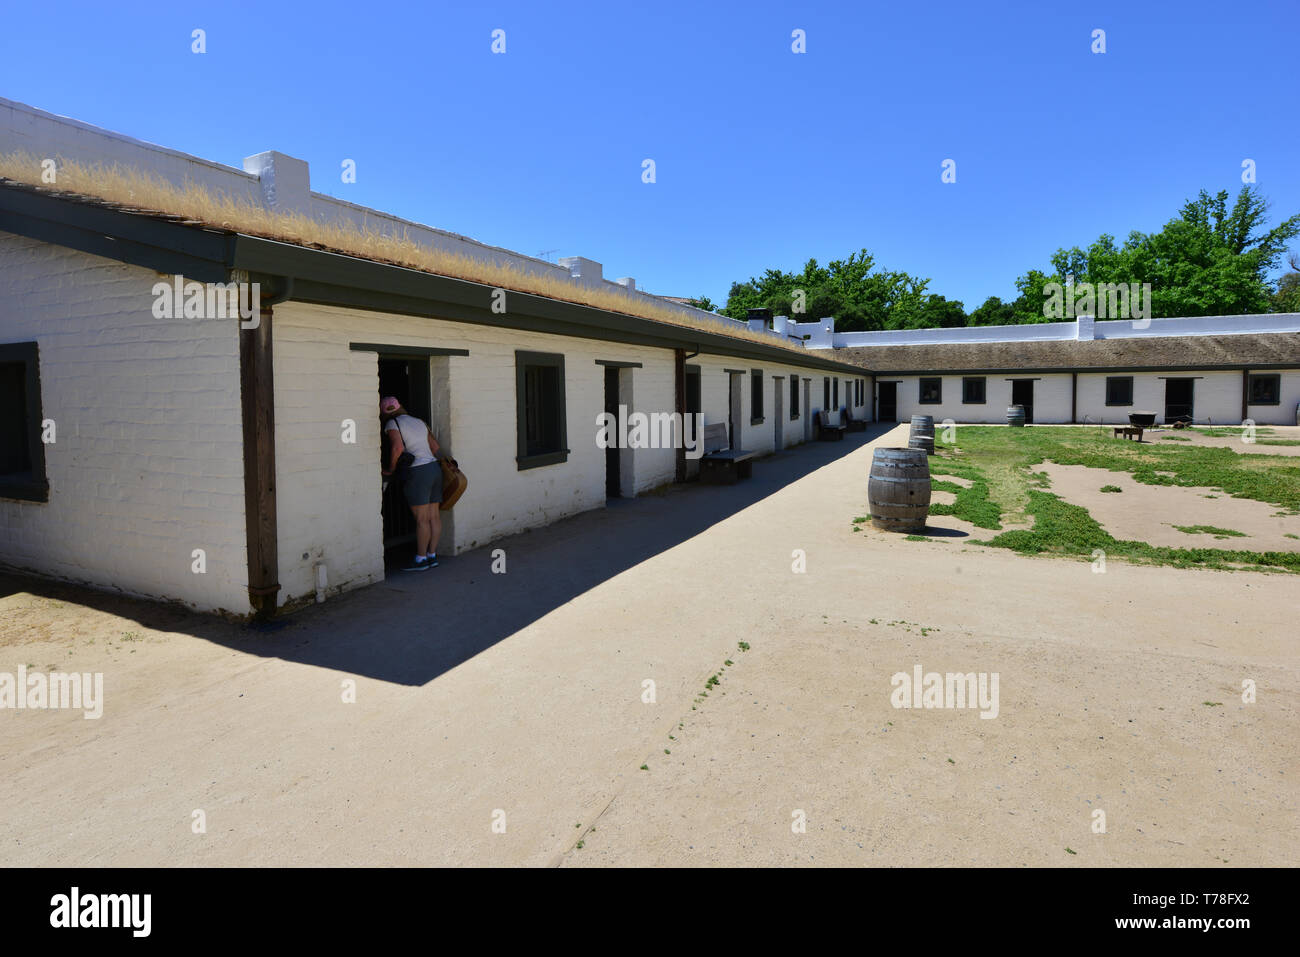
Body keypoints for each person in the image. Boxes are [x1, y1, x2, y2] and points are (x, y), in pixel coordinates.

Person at [380, 396, 442, 571]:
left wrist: (391, 469)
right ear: (400, 406)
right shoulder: (419, 422)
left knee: (422, 519)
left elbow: (397, 448)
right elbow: (435, 447)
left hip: (418, 472)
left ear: (384, 413)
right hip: (433, 468)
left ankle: (421, 559)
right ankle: (432, 555)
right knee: (434, 517)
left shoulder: (392, 424)